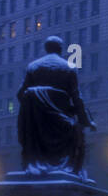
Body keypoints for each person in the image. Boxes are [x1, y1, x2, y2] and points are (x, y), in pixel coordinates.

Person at [16, 36, 96, 176]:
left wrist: (33, 108)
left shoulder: (33, 66)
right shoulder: (69, 67)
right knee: (77, 134)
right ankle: (69, 169)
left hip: (36, 123)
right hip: (61, 119)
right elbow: (76, 97)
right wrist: (86, 120)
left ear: (46, 48)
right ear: (60, 49)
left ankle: (37, 167)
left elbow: (20, 93)